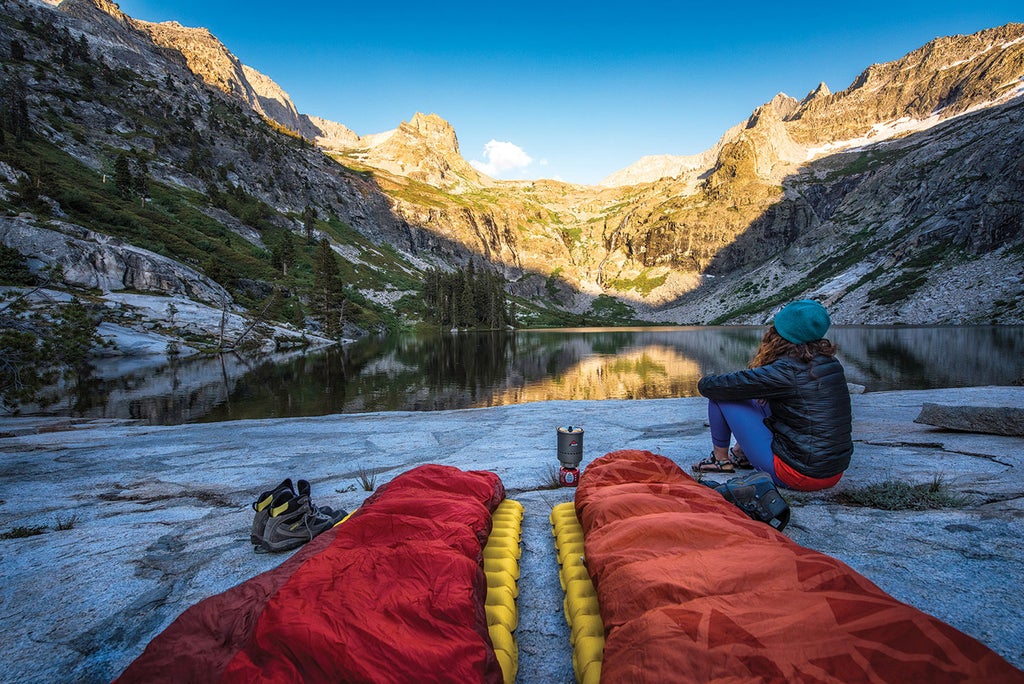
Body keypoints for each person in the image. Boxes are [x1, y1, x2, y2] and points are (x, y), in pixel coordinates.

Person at [692, 300, 853, 491]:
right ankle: (740, 455)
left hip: (798, 474)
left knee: (721, 396)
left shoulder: (786, 370)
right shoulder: (830, 363)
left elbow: (713, 387)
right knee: (761, 399)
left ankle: (720, 461)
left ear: (781, 333)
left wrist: (704, 380)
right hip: (833, 472)